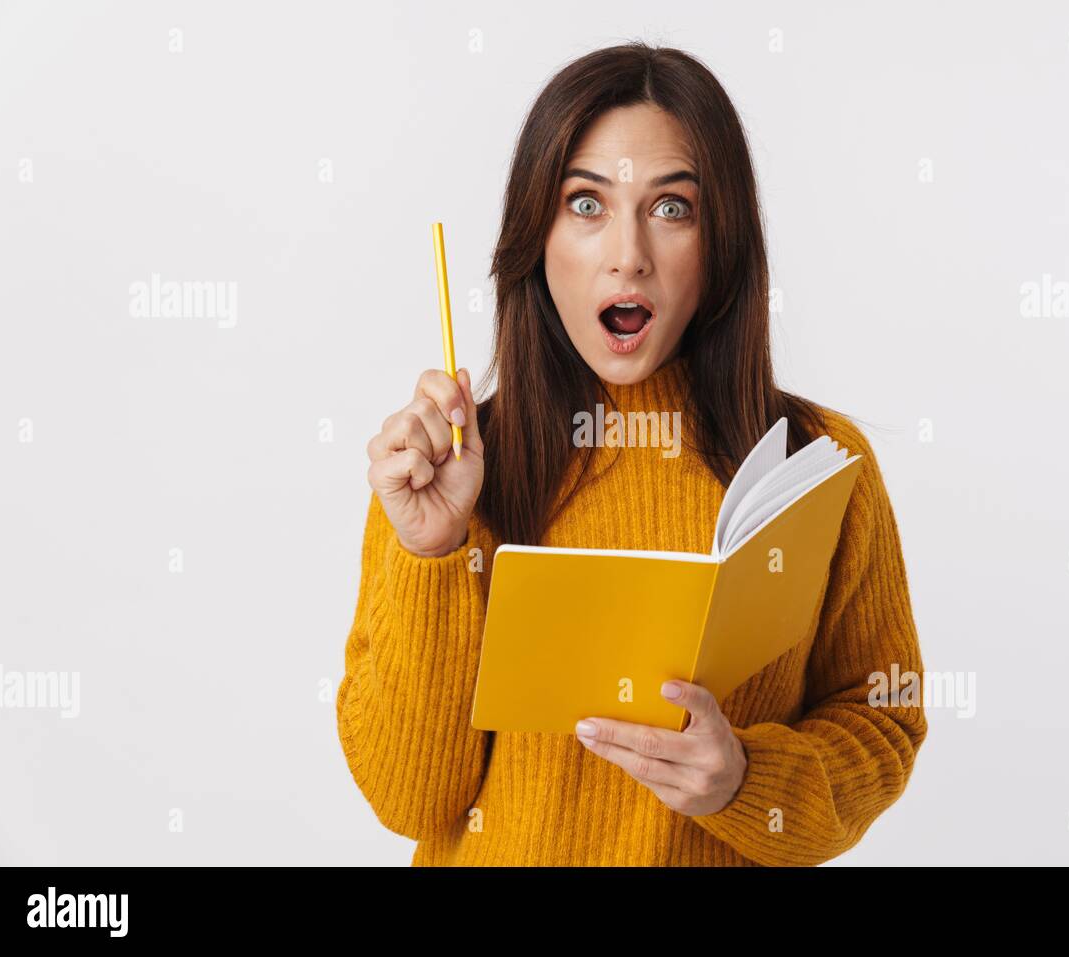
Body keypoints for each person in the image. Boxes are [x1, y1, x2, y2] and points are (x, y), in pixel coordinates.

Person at [336, 42, 927, 866]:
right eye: (586, 204)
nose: (628, 254)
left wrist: (746, 780)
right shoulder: (444, 473)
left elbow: (883, 718)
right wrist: (433, 551)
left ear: (720, 241)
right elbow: (409, 798)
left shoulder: (821, 462)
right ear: (536, 238)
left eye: (671, 208)